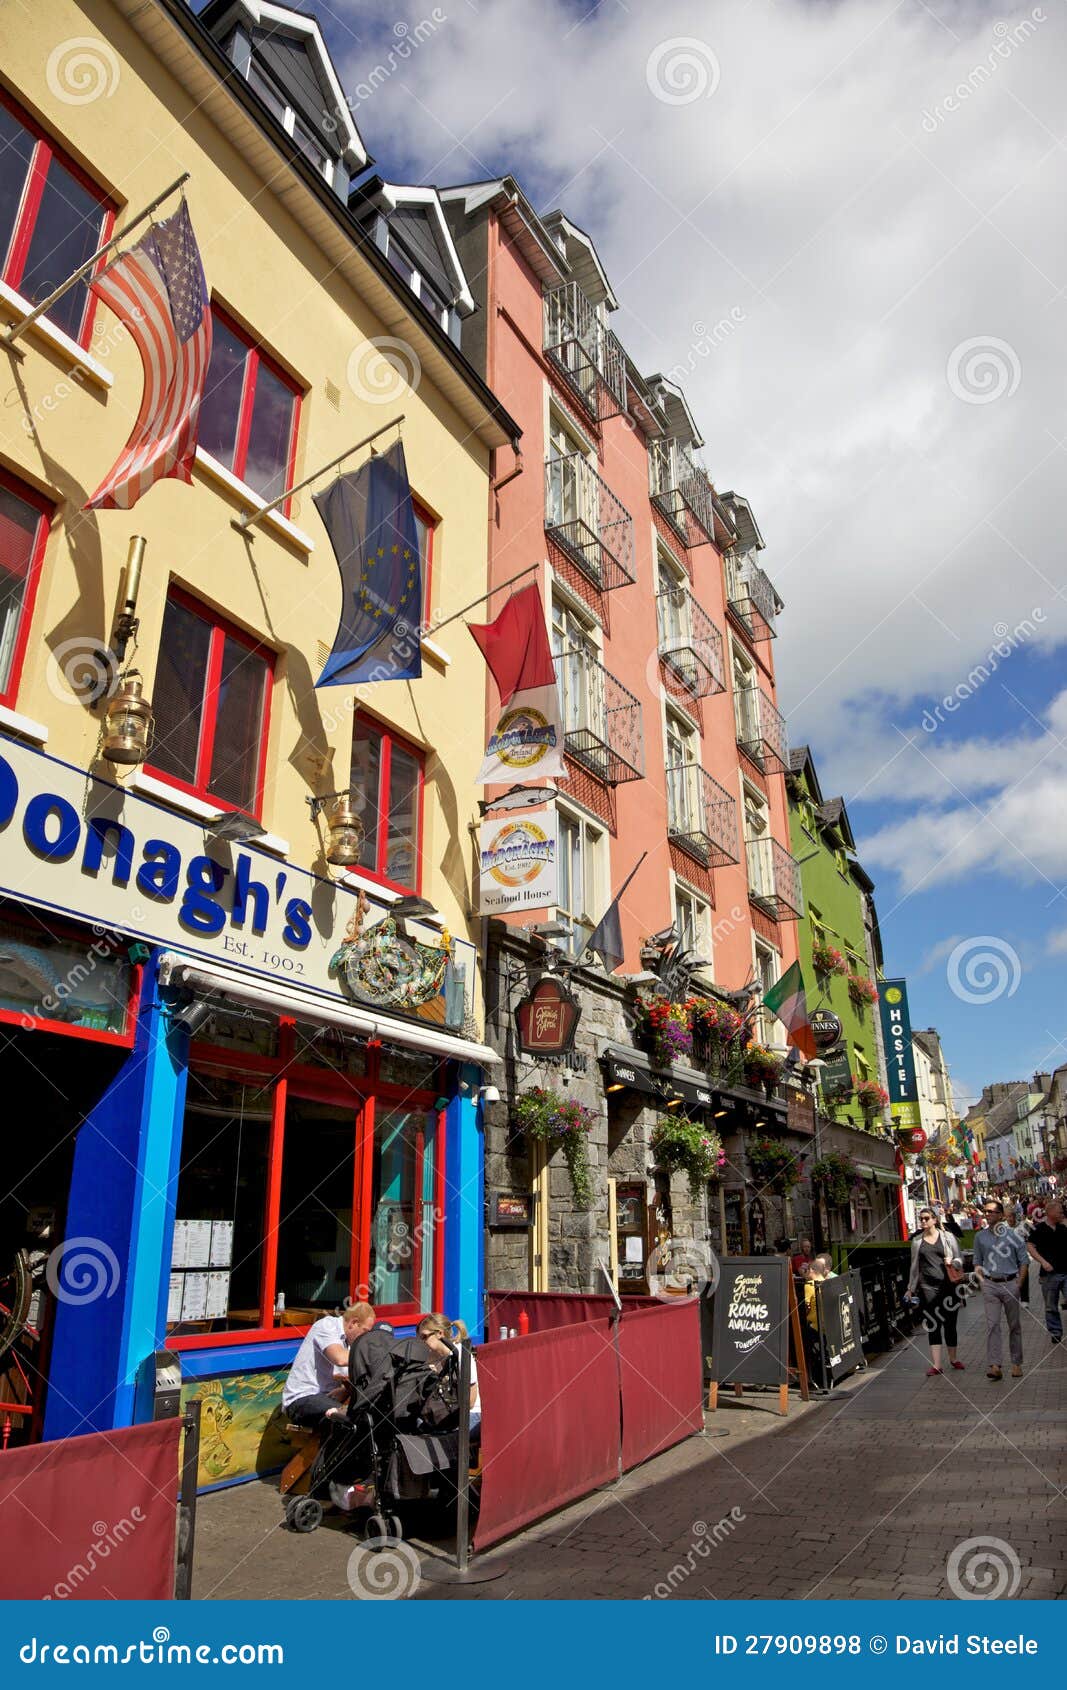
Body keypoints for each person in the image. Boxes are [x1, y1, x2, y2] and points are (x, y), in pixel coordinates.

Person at [281, 1302, 373, 1428]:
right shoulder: (327, 1325)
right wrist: (373, 1357)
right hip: (301, 1399)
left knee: (368, 1415)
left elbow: (346, 1376)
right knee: (349, 1419)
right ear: (354, 1323)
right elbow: (339, 1358)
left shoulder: (351, 1343)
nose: (366, 1337)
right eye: (365, 1331)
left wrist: (346, 1390)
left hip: (325, 1399)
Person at [973, 1198, 1029, 1379]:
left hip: (1011, 1283)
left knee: (1014, 1325)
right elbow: (977, 1262)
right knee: (993, 1325)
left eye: (991, 1211)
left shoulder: (1014, 1235)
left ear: (1000, 1215)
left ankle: (1016, 1363)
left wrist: (1019, 1283)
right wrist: (982, 1282)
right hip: (990, 1284)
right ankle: (995, 1365)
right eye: (986, 1211)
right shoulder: (979, 1237)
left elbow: (1024, 1261)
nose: (987, 1214)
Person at [907, 1206, 964, 1376]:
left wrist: (953, 1261)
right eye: (921, 1219)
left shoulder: (948, 1237)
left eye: (926, 1218)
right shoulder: (917, 1241)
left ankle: (953, 1359)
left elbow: (960, 1259)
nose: (923, 1221)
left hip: (949, 1285)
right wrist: (910, 1288)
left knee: (950, 1324)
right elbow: (914, 1267)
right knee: (933, 1324)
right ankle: (937, 1365)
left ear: (934, 1219)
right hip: (927, 1287)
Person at [1027, 1197, 1067, 1345]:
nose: (1062, 1214)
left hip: (1066, 1272)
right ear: (1050, 1213)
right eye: (1060, 1212)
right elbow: (1030, 1247)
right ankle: (1056, 1332)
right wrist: (1043, 1262)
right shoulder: (1039, 1229)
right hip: (1049, 1275)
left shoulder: (1063, 1228)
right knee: (1051, 1306)